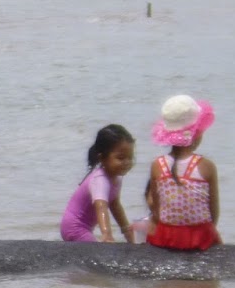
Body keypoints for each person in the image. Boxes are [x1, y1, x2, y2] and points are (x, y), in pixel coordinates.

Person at [144, 96, 220, 251]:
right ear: (196, 133)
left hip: (166, 236)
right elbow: (214, 213)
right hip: (199, 236)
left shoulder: (157, 165)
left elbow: (158, 213)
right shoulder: (206, 166)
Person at [60, 124, 136, 243]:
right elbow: (101, 207)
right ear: (102, 158)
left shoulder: (117, 177)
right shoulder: (100, 180)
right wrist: (107, 235)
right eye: (121, 158)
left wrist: (127, 230)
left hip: (84, 228)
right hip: (75, 228)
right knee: (101, 254)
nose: (127, 162)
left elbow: (115, 205)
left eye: (130, 157)